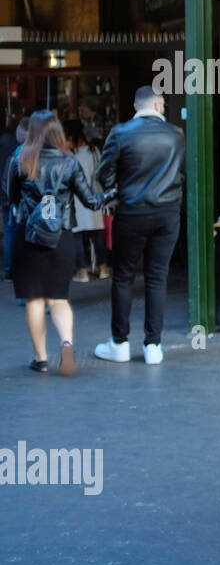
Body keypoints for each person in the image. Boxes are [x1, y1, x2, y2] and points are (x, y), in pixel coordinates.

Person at [6, 111, 115, 374]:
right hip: (62, 234)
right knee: (58, 299)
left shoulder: (19, 159)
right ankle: (67, 344)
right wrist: (117, 190)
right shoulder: (70, 163)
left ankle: (41, 359)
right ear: (58, 133)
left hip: (28, 236)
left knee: (34, 300)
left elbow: (10, 197)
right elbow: (91, 201)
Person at [93, 86, 186, 366]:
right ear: (158, 106)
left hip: (132, 212)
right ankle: (153, 346)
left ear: (137, 106)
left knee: (123, 277)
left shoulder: (121, 133)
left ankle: (119, 343)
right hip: (167, 213)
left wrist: (119, 184)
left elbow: (104, 175)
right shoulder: (176, 135)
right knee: (157, 277)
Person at [67, 123, 109, 282]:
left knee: (77, 235)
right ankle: (103, 268)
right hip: (94, 198)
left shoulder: (72, 155)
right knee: (97, 235)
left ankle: (82, 271)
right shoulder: (95, 152)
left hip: (77, 200)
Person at [2, 115, 30, 281]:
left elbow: (8, 183)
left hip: (11, 200)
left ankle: (10, 269)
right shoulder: (32, 154)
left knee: (10, 232)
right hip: (24, 202)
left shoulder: (14, 154)